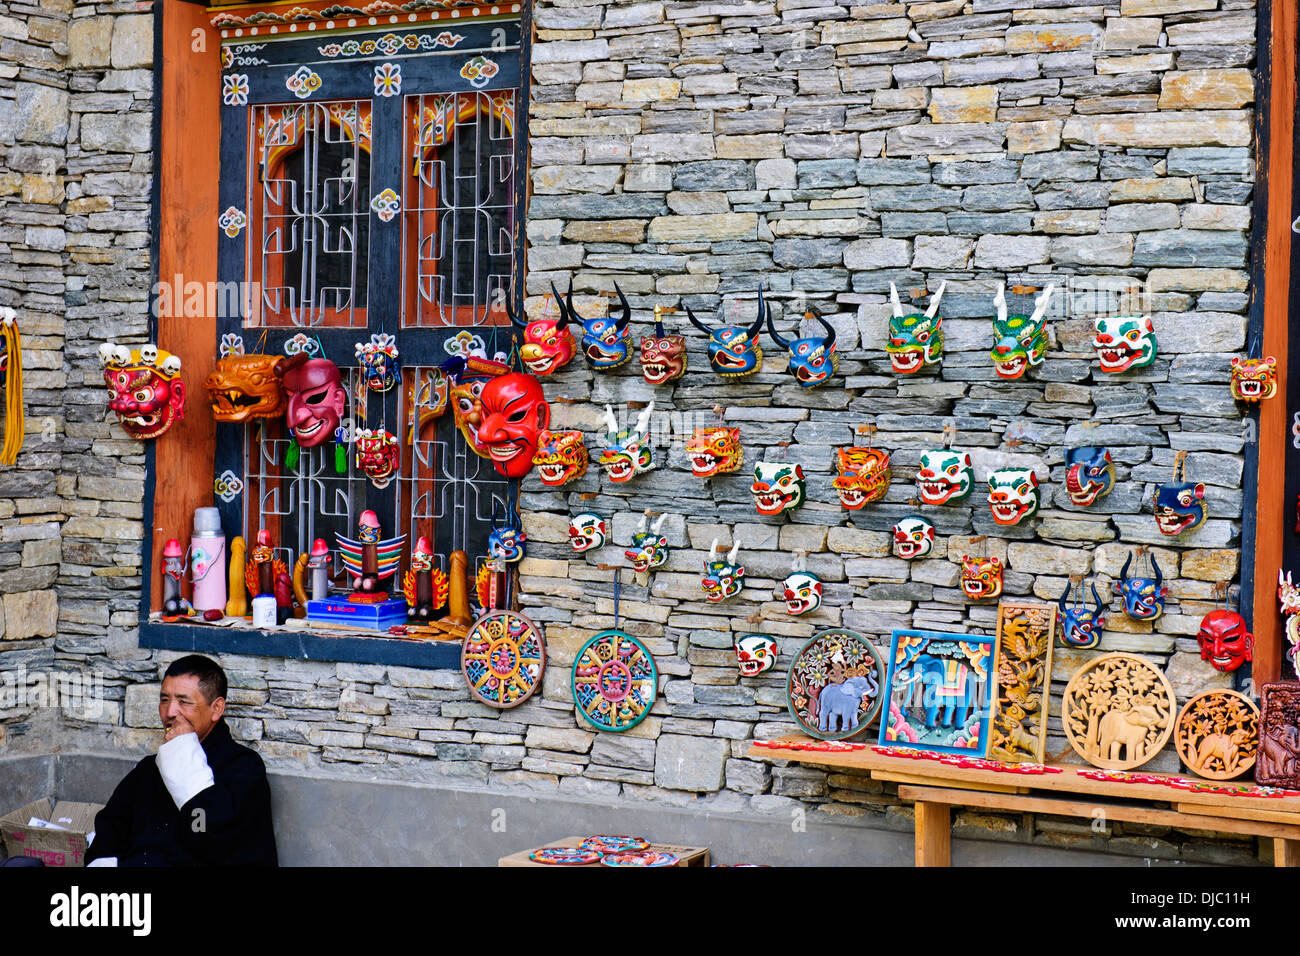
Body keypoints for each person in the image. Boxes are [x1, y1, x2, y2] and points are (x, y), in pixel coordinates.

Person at [85, 655, 277, 866]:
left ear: (216, 709)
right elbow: (106, 838)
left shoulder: (244, 769)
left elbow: (207, 830)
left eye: (184, 701)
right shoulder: (148, 770)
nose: (169, 712)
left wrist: (182, 752)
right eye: (164, 699)